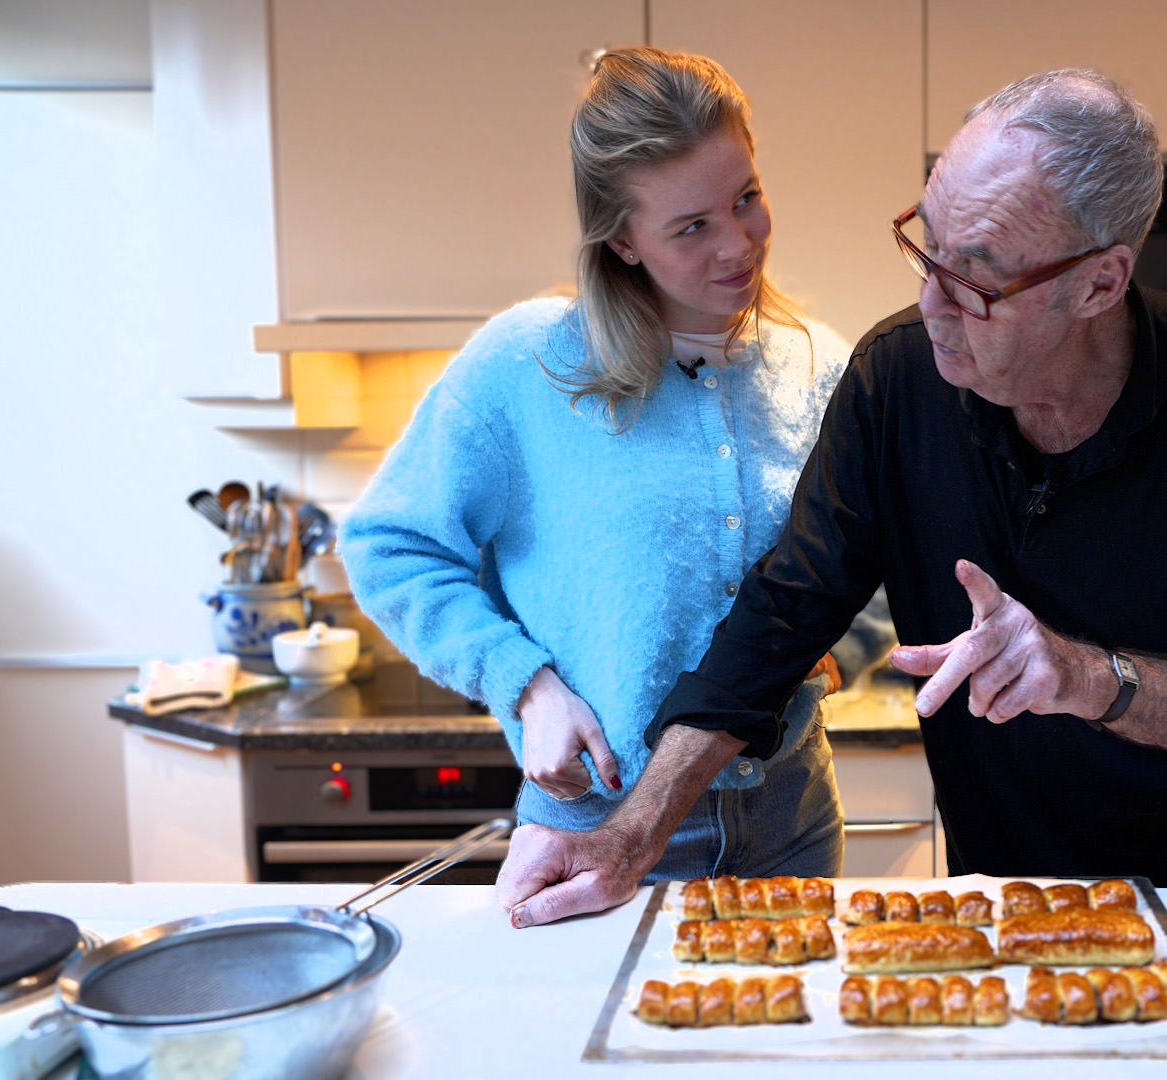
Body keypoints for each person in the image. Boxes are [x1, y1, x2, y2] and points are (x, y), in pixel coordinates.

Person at [496, 68, 1167, 926]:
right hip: (1010, 890)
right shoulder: (896, 380)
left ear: (1099, 285)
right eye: (924, 247)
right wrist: (628, 835)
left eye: (975, 282)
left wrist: (1085, 676)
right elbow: (785, 612)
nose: (930, 304)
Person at [340, 47, 857, 920]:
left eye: (747, 198)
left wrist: (844, 648)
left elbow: (872, 552)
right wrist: (524, 684)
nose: (739, 244)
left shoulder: (820, 367)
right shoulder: (527, 364)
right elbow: (388, 546)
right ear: (622, 238)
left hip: (792, 826)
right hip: (593, 828)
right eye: (691, 226)